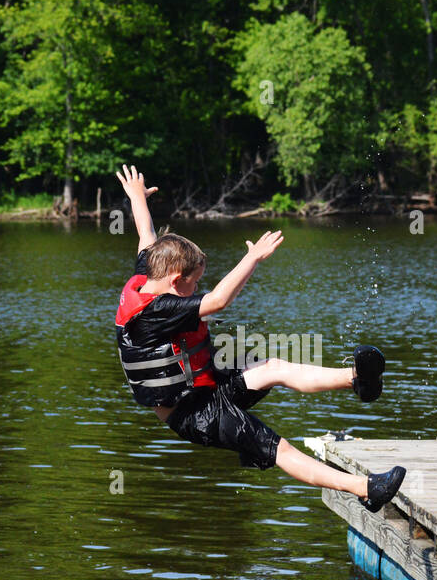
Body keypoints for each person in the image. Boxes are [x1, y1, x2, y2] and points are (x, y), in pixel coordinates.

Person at [113, 165, 406, 512]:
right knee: (277, 447)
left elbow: (146, 235)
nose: (196, 290)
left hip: (205, 388)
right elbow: (219, 300)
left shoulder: (147, 276)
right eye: (194, 283)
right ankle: (365, 488)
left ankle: (357, 380)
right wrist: (252, 258)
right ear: (176, 281)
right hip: (195, 414)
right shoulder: (159, 308)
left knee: (274, 367)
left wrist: (136, 198)